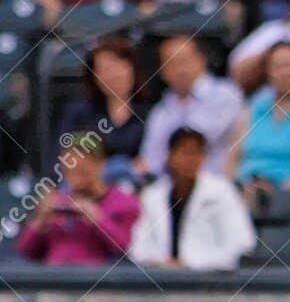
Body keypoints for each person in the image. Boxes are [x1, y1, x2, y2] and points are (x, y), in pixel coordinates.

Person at [129, 127, 256, 270]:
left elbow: (241, 245)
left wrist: (190, 263)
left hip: (209, 283)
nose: (192, 159)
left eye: (198, 153)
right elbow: (139, 247)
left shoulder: (222, 192)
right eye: (186, 153)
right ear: (170, 156)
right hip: (161, 280)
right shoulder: (153, 195)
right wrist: (161, 262)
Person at [16, 134, 142, 266]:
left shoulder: (124, 202)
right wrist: (40, 221)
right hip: (54, 279)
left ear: (100, 164)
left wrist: (97, 219)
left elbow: (126, 249)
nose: (74, 178)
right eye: (69, 170)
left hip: (99, 281)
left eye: (82, 170)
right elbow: (25, 250)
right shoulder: (58, 201)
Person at [140, 36, 247, 179]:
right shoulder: (160, 112)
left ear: (202, 60)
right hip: (168, 189)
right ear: (163, 72)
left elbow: (194, 142)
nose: (180, 70)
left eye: (184, 61)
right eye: (172, 63)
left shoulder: (226, 94)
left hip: (218, 184)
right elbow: (150, 159)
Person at [230, 40, 290, 192]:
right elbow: (232, 160)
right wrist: (238, 185)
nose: (285, 73)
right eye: (278, 67)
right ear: (268, 72)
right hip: (248, 190)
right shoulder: (254, 106)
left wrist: (282, 191)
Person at [55, 36, 149, 181]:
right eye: (105, 69)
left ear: (132, 68)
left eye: (119, 66)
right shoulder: (79, 113)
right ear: (94, 77)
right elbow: (64, 158)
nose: (113, 75)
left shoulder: (151, 112)